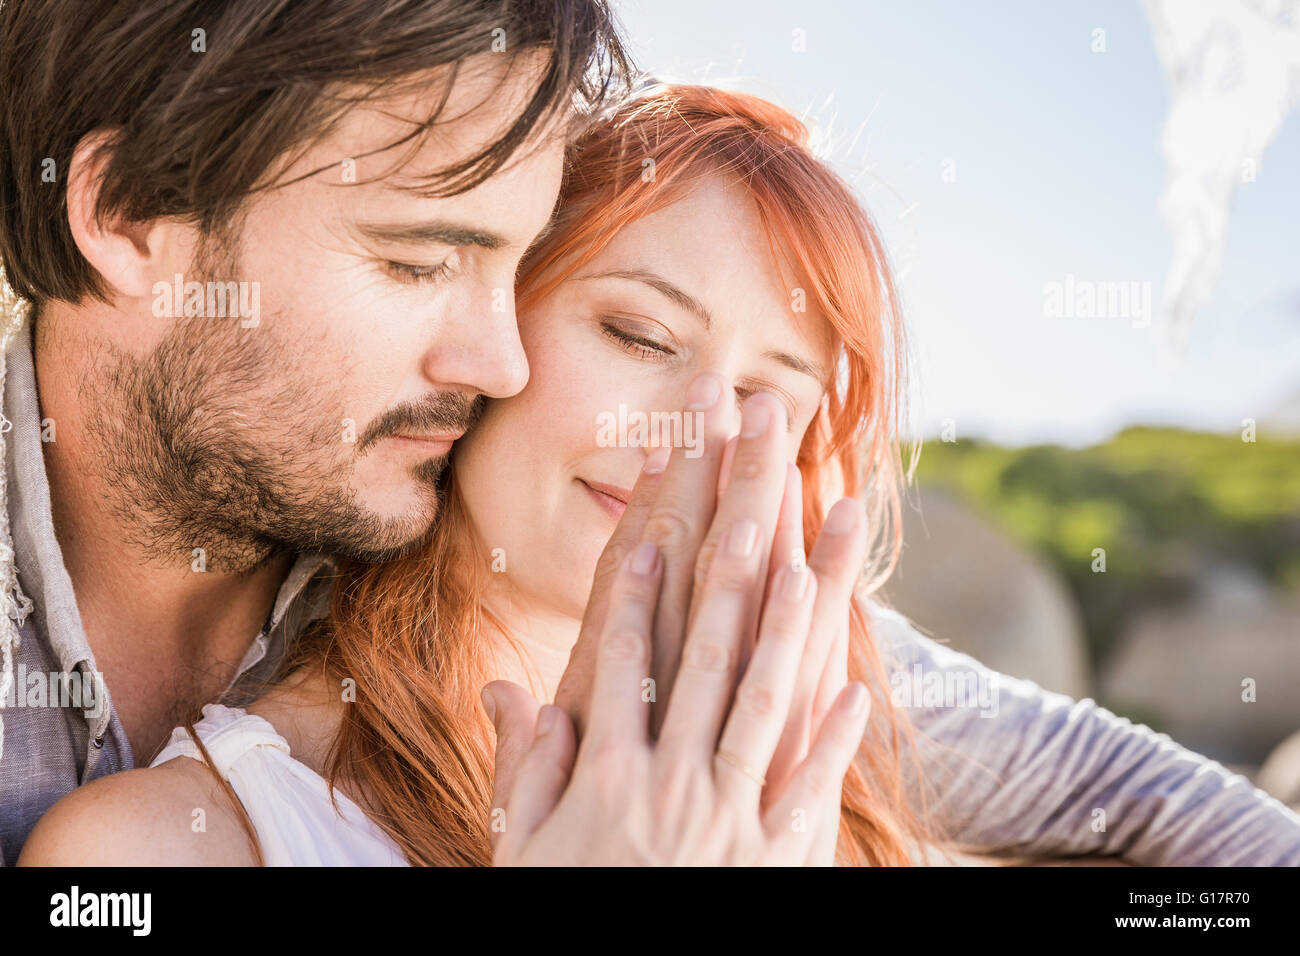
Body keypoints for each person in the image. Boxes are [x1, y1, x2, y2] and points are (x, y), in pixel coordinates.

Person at [21, 84, 1300, 865]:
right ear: (491, 338)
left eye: (768, 396)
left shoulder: (815, 705)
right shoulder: (161, 843)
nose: (698, 429)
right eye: (637, 335)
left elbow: (1188, 819)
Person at [0, 0, 631, 863]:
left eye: (516, 270)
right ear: (127, 211)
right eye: (419, 260)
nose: (502, 366)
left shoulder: (502, 614)